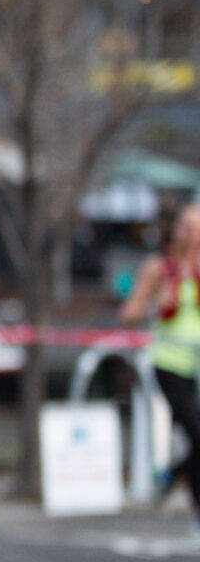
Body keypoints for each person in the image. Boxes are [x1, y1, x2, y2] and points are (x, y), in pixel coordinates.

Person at [118, 201, 200, 535]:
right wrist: (155, 305)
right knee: (197, 433)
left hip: (198, 361)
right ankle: (172, 476)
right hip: (170, 361)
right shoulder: (160, 268)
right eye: (187, 226)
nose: (192, 235)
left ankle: (177, 478)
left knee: (198, 441)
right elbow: (129, 313)